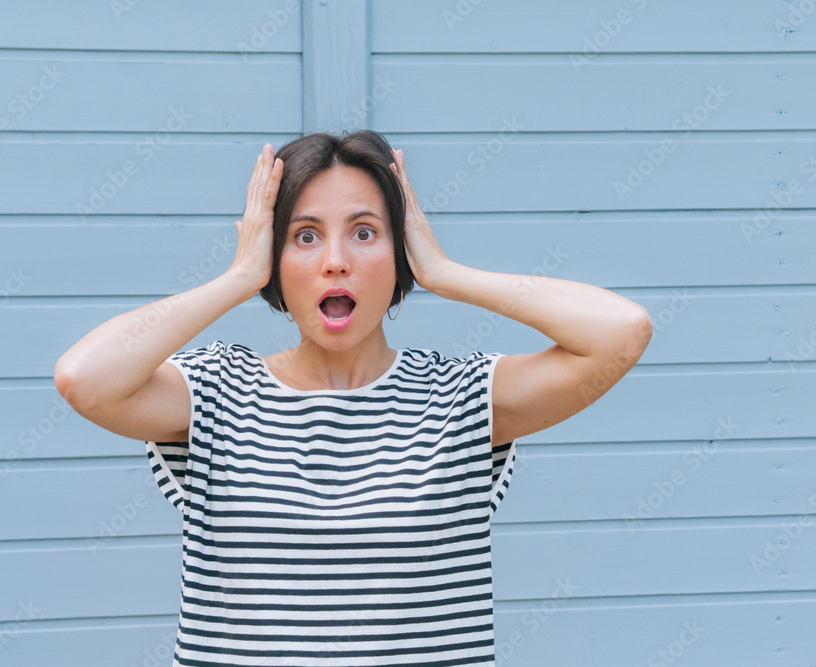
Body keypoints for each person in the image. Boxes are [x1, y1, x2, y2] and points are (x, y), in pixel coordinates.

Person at [54, 129, 652, 666]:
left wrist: (442, 271)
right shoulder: (216, 391)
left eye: (365, 233)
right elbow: (84, 377)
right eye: (304, 236)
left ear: (399, 253)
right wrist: (236, 277)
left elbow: (621, 332)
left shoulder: (461, 397)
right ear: (274, 257)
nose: (335, 262)